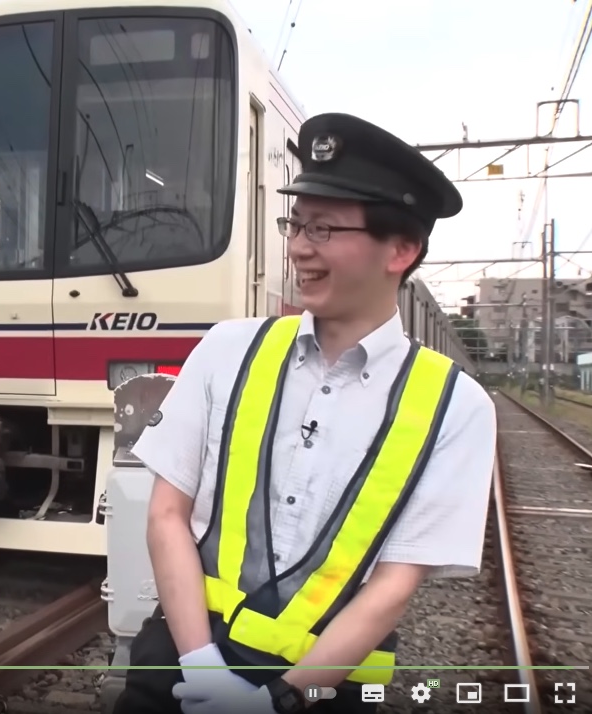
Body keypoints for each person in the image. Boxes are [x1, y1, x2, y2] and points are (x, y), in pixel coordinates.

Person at [112, 113, 497, 714]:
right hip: (181, 667)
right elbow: (167, 514)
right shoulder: (226, 349)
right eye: (295, 224)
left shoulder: (457, 408)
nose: (297, 247)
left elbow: (393, 588)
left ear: (402, 249)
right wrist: (202, 668)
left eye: (323, 228)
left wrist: (279, 702)